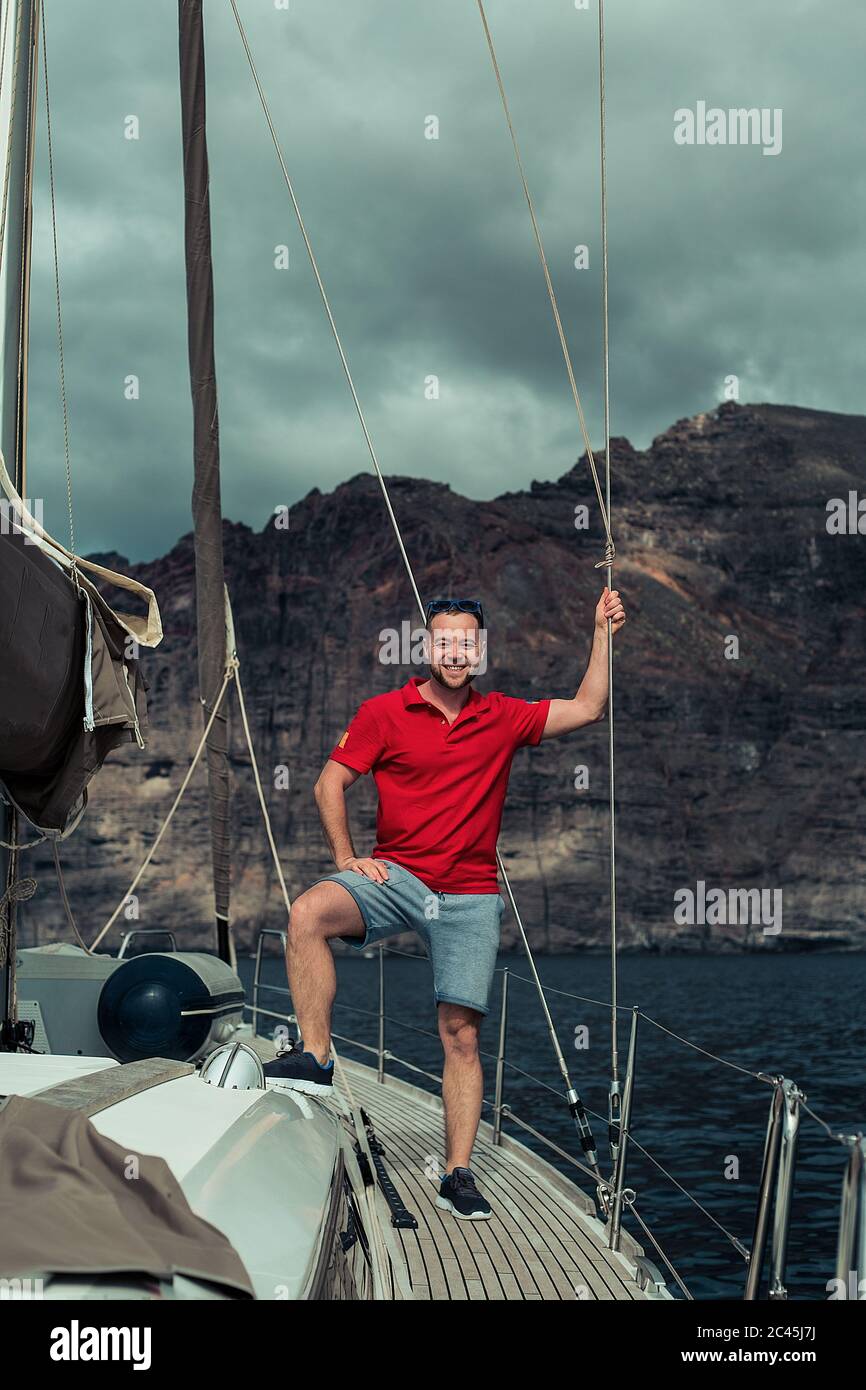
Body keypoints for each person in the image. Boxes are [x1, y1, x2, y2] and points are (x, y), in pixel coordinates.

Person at [264, 588, 626, 1220]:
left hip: (469, 895)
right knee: (307, 916)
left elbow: (590, 707)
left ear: (479, 651)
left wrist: (600, 629)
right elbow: (330, 781)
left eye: (467, 641)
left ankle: (457, 1174)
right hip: (397, 876)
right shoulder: (383, 712)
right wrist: (348, 859)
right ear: (426, 646)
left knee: (461, 1036)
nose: (455, 652)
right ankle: (317, 1056)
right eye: (444, 640)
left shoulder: (506, 717)